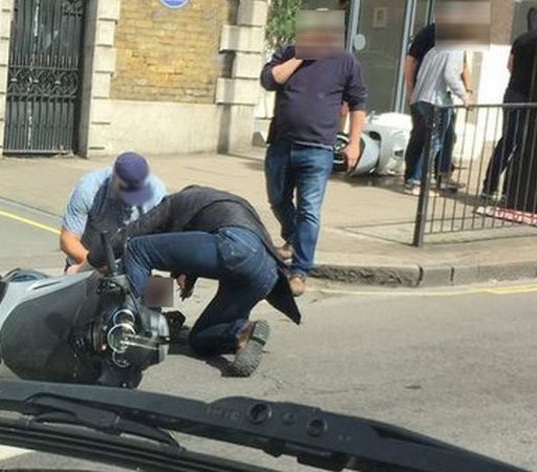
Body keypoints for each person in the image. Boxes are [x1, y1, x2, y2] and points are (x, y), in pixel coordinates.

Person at [84, 185, 301, 377]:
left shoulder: (175, 201)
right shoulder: (224, 205)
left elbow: (131, 234)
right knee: (201, 339)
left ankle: (137, 329)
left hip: (236, 248)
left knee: (138, 249)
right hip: (267, 273)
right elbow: (186, 251)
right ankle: (243, 331)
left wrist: (93, 259)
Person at [260, 26, 367, 297]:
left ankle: (300, 270)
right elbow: (269, 80)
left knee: (309, 209)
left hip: (318, 148)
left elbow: (358, 104)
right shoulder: (288, 52)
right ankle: (296, 239)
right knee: (277, 200)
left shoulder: (346, 61)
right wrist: (299, 58)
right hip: (281, 143)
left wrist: (354, 143)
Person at [59, 152, 167, 267]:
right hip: (86, 260)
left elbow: (167, 239)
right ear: (113, 180)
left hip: (131, 266)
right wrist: (100, 266)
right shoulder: (88, 190)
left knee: (158, 284)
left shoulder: (157, 194)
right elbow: (68, 240)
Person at [483, 8, 537, 200]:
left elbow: (510, 66)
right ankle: (509, 190)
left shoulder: (521, 39)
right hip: (527, 97)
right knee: (522, 145)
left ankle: (489, 187)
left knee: (508, 141)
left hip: (513, 92)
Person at [404, 49, 472, 195]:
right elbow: (451, 76)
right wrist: (465, 96)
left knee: (428, 140)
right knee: (434, 142)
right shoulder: (456, 51)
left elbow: (422, 72)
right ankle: (418, 182)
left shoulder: (435, 50)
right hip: (437, 101)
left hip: (422, 98)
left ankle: (415, 180)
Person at [403, 23, 459, 191]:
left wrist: (467, 89)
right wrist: (411, 89)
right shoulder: (430, 34)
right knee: (425, 137)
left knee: (447, 135)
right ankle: (414, 178)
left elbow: (462, 68)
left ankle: (440, 175)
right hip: (429, 97)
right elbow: (411, 61)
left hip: (441, 97)